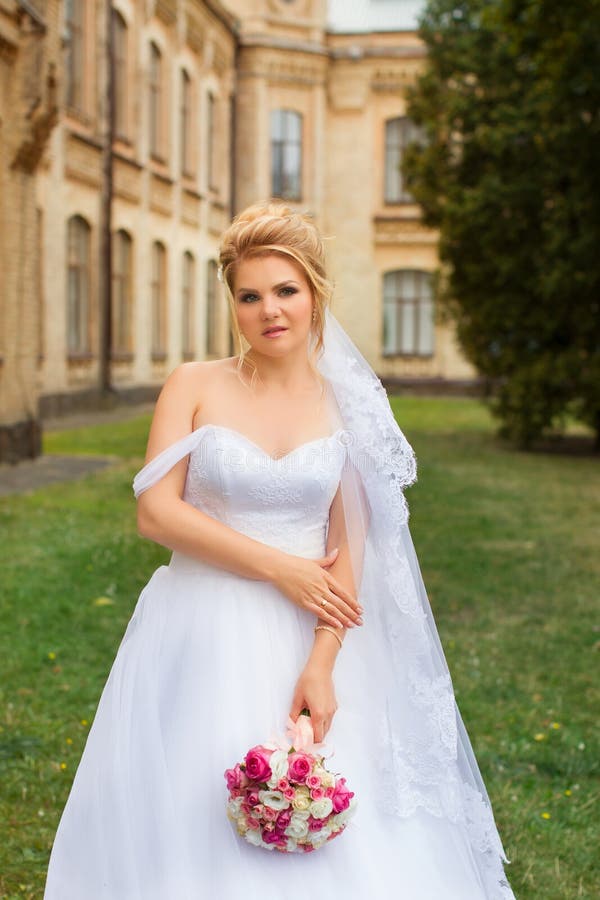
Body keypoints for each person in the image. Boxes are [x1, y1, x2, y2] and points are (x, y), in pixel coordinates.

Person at [44, 201, 516, 899]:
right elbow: (156, 512)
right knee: (187, 805)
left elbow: (348, 542)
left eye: (286, 290)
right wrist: (282, 567)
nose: (270, 310)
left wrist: (324, 658)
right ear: (232, 302)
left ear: (316, 293)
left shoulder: (349, 406)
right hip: (197, 624)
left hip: (310, 631)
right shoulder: (194, 384)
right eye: (250, 295)